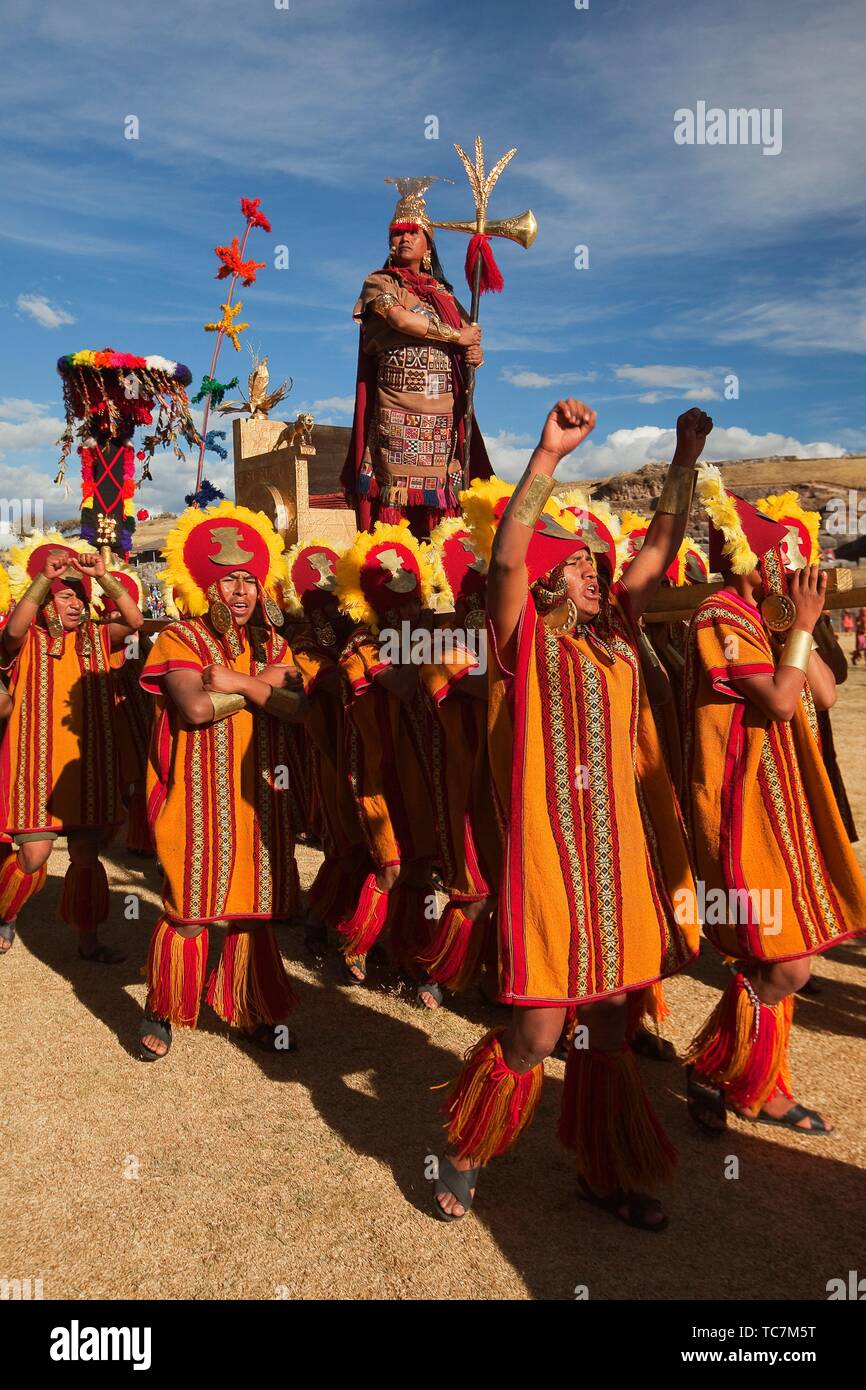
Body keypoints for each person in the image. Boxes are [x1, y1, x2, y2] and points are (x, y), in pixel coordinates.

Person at [432, 401, 708, 1231]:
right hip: (550, 856)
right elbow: (505, 556)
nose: (599, 571)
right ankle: (466, 1149)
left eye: (599, 562)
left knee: (612, 1024)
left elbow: (659, 548)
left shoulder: (619, 631)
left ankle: (605, 1166)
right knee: (538, 1032)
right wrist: (547, 454)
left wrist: (684, 453)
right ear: (553, 578)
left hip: (618, 856)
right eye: (582, 564)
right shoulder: (524, 640)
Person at [683, 471, 866, 1134]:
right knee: (785, 960)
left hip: (781, 812)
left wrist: (799, 624)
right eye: (780, 558)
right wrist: (802, 622)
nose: (790, 569)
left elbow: (824, 693)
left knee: (780, 957)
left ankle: (745, 1077)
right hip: (739, 814)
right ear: (749, 559)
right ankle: (722, 1071)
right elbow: (780, 701)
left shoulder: (766, 618)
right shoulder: (717, 621)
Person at [136, 502, 307, 1061]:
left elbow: (299, 710)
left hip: (259, 797)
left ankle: (250, 1007)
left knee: (249, 915)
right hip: (198, 795)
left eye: (249, 580)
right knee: (191, 912)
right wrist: (261, 689)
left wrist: (240, 680)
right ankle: (162, 1006)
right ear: (206, 586)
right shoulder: (179, 638)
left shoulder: (275, 646)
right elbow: (195, 709)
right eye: (229, 579)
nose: (241, 591)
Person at [0, 536, 142, 960]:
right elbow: (11, 630)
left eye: (80, 598)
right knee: (33, 856)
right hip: (36, 769)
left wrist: (102, 578)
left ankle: (88, 942)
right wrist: (45, 578)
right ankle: (5, 913)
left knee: (84, 860)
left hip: (89, 771)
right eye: (66, 598)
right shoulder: (29, 641)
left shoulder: (99, 638)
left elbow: (134, 622)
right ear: (47, 603)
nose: (76, 604)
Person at [340, 177, 491, 539]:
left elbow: (468, 340)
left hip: (441, 411)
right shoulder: (380, 283)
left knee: (442, 496)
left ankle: (440, 574)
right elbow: (399, 319)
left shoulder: (446, 296)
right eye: (397, 233)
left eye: (412, 233)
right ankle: (393, 576)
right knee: (394, 494)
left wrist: (473, 351)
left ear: (428, 246)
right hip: (396, 406)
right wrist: (457, 335)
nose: (404, 239)